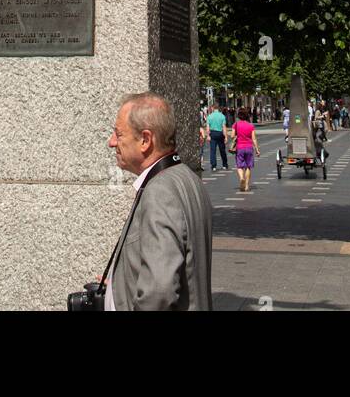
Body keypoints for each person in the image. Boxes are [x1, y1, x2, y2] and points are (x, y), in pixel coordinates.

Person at [105, 92, 212, 311]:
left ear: (145, 140)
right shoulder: (187, 178)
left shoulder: (160, 191)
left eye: (118, 134)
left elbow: (160, 292)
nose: (111, 142)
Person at [229, 107, 260, 193]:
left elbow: (232, 136)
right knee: (248, 167)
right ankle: (246, 185)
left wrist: (236, 135)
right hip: (249, 148)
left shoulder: (236, 124)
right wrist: (257, 150)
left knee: (239, 166)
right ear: (247, 116)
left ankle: (241, 177)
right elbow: (254, 139)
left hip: (240, 148)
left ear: (239, 116)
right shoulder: (251, 126)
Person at [205, 104, 228, 172]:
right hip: (220, 133)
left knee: (213, 151)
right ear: (218, 108)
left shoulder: (209, 116)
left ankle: (214, 166)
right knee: (222, 150)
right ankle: (224, 164)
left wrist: (208, 135)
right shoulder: (222, 116)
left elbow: (208, 127)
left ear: (212, 108)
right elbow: (224, 127)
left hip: (213, 133)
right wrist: (226, 136)